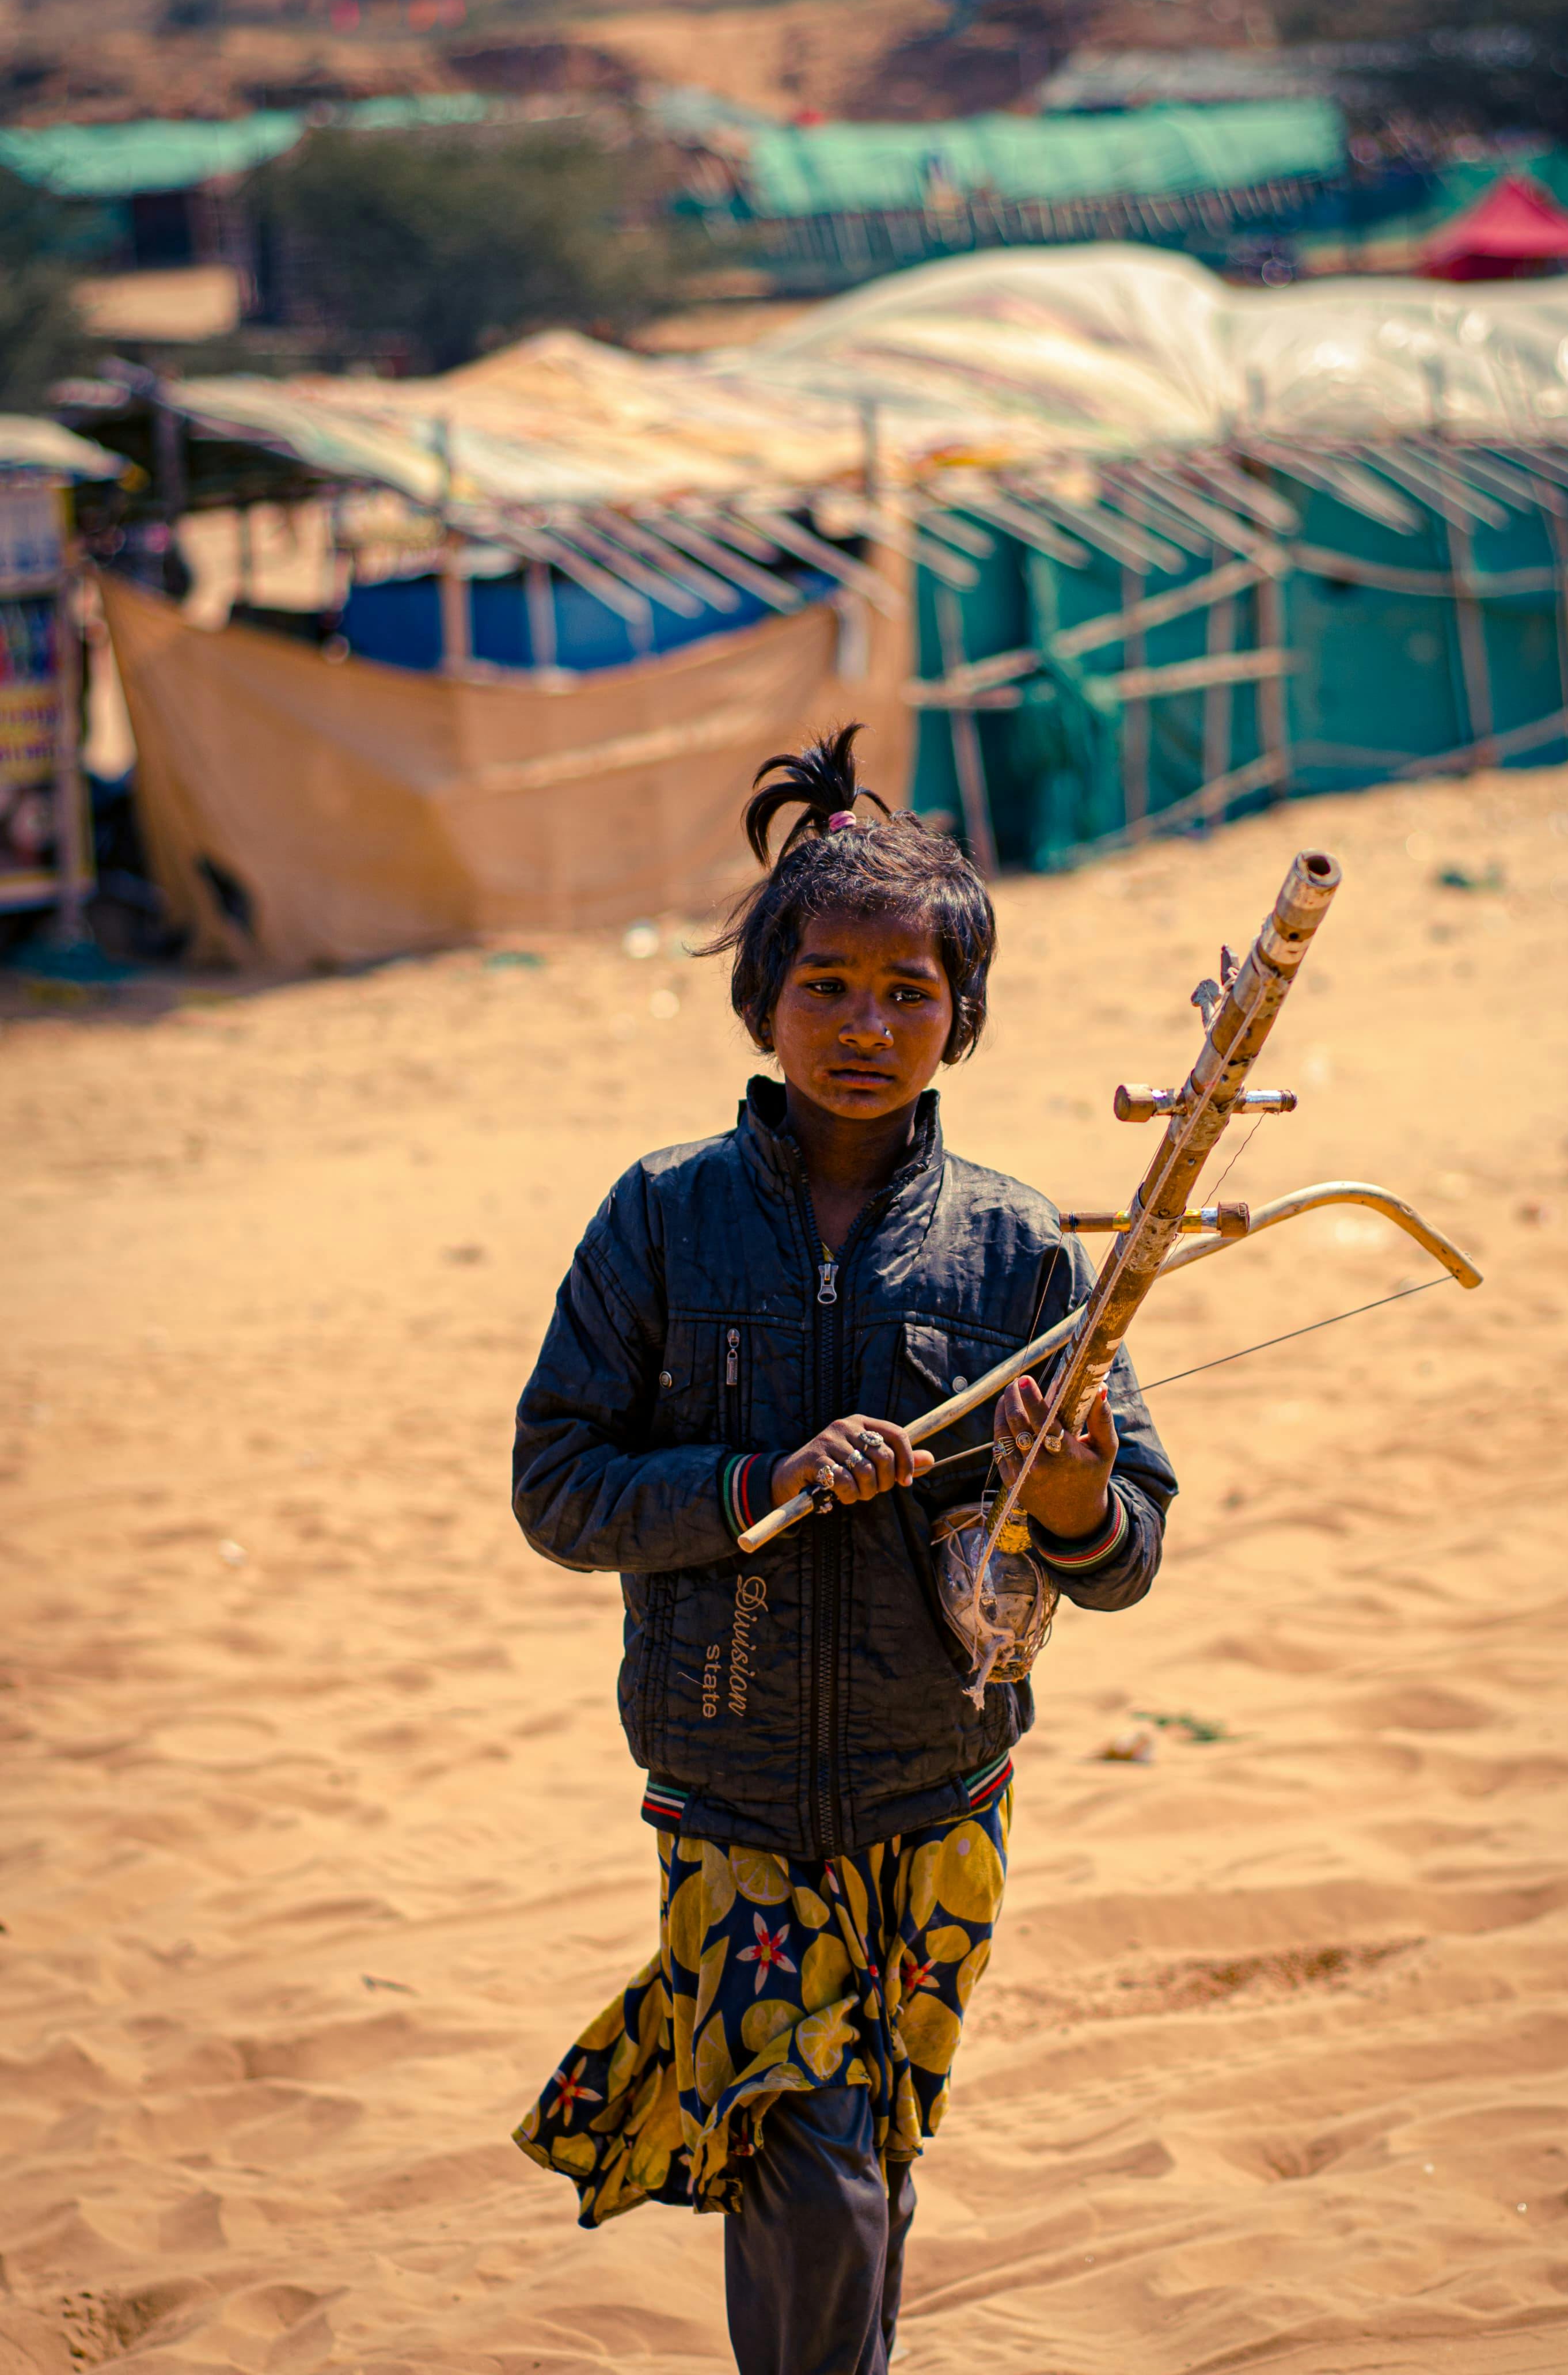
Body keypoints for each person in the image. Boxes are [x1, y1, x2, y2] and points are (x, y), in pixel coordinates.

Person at [510, 727, 1176, 2374]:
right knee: (813, 2174)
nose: (866, 1026)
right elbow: (558, 1483)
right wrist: (757, 1479)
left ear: (960, 1018)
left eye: (907, 993)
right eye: (827, 987)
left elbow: (1128, 1540)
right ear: (763, 1003)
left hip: (938, 1793)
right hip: (725, 1795)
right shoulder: (659, 1218)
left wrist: (1076, 1495)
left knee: (867, 2161)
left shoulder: (1019, 1247)